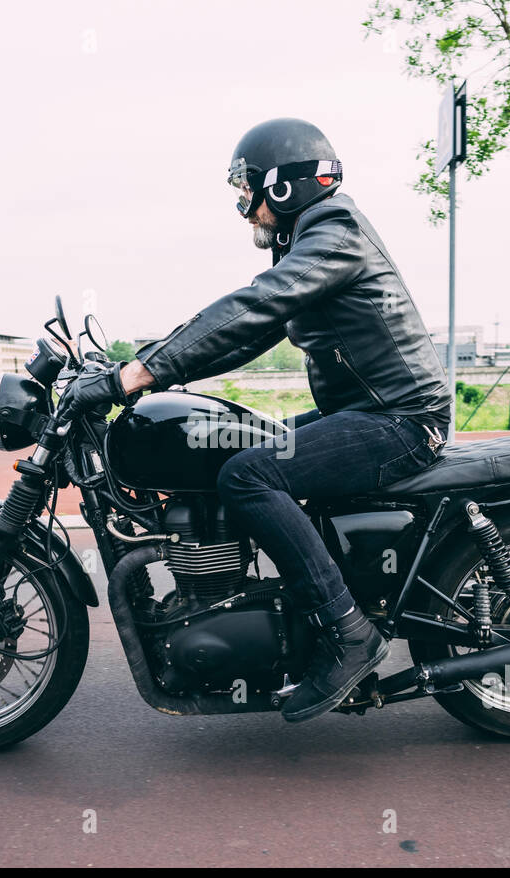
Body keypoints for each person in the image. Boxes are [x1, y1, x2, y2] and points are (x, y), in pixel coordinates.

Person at [59, 118, 451, 722]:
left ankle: (348, 633)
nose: (244, 204)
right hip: (369, 412)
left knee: (248, 474)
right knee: (237, 443)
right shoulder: (313, 241)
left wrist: (134, 374)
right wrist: (152, 368)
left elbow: (256, 306)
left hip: (399, 420)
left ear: (284, 185)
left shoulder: (336, 232)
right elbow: (249, 330)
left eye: (248, 187)